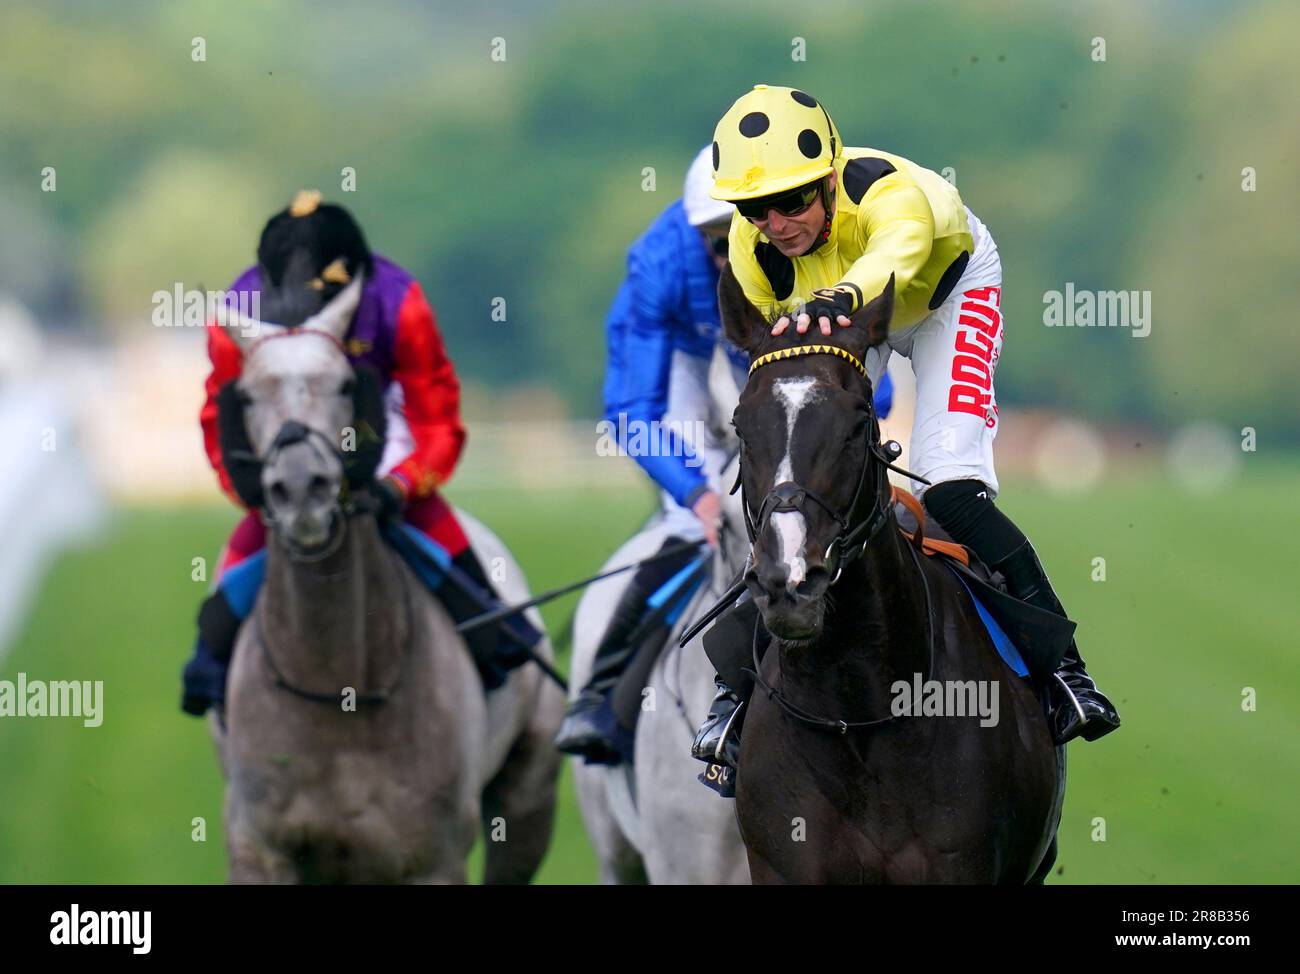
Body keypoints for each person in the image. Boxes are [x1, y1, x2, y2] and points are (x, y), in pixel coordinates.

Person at [691, 85, 1119, 778]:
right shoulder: (754, 253)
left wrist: (833, 305)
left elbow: (895, 259)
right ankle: (734, 690)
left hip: (943, 295)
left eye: (794, 200)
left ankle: (1064, 670)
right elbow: (779, 366)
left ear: (831, 179)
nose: (777, 223)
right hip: (852, 320)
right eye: (755, 208)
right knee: (794, 488)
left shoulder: (889, 196)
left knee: (950, 489)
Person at [555, 148, 893, 765]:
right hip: (692, 363)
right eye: (711, 242)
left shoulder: (812, 247)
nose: (725, 255)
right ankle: (603, 694)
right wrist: (697, 492)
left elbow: (866, 380)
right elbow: (634, 407)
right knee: (701, 524)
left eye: (734, 237)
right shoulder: (658, 263)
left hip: (782, 360)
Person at [181, 191, 535, 717]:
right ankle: (210, 662)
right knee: (243, 555)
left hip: (381, 427)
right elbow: (221, 416)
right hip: (285, 442)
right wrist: (250, 490)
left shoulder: (398, 301)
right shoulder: (236, 312)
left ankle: (499, 640)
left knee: (446, 546)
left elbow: (436, 420)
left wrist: (401, 485)